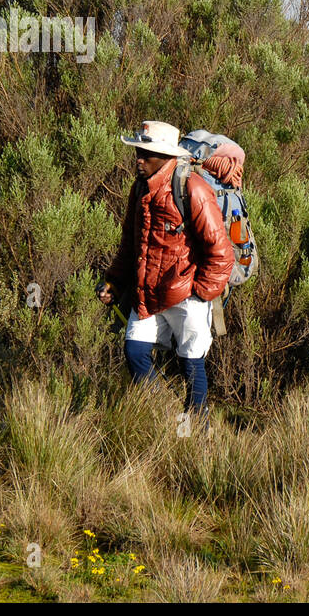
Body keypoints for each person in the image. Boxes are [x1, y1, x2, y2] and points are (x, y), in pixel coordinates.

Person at [99, 120, 235, 413]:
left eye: (146, 154)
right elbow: (129, 245)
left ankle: (195, 430)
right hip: (147, 293)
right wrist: (114, 282)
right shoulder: (139, 190)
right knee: (134, 352)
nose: (139, 159)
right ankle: (164, 416)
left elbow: (222, 253)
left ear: (167, 157)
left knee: (192, 366)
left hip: (188, 296)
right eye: (138, 152)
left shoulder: (192, 188)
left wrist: (200, 293)